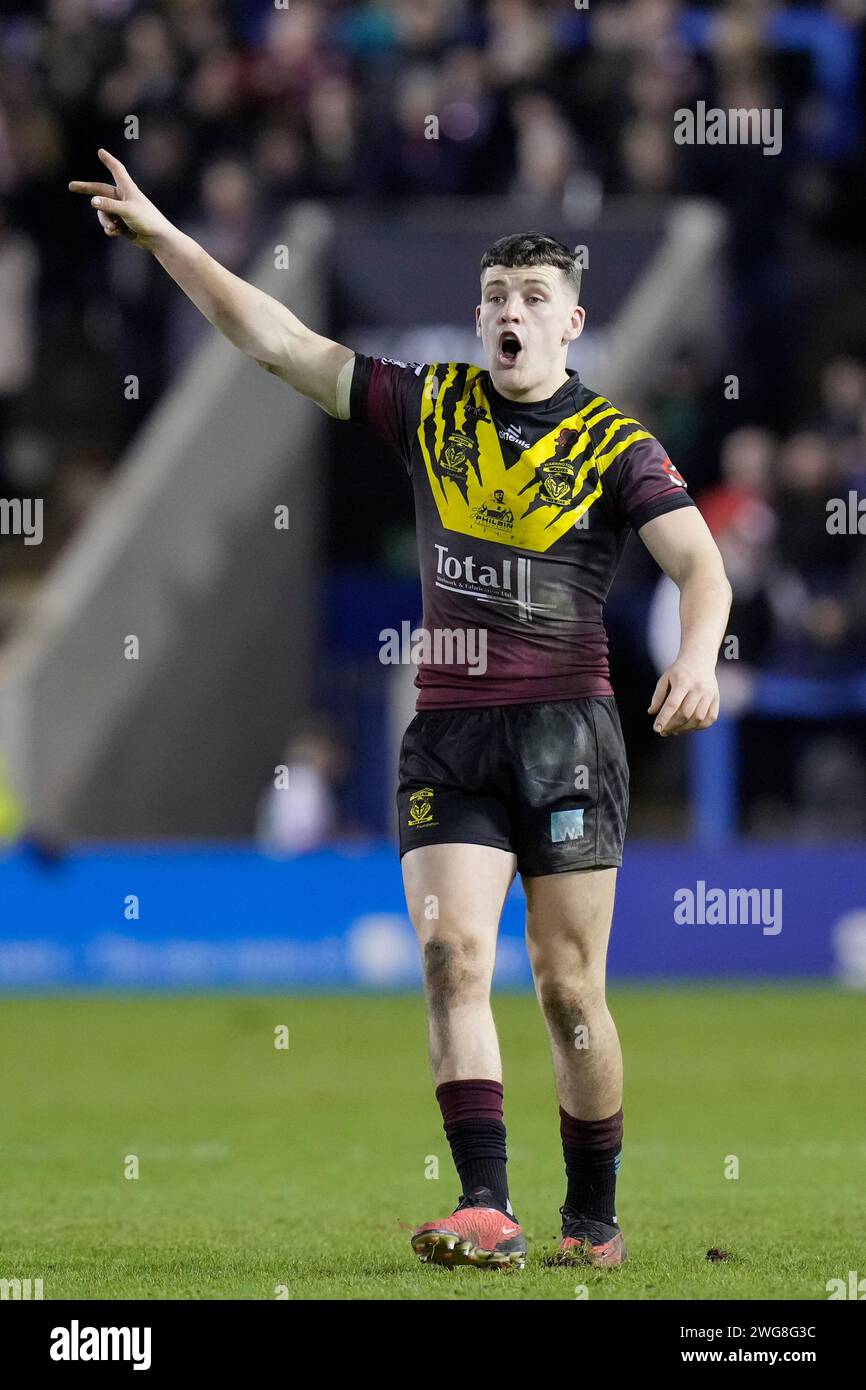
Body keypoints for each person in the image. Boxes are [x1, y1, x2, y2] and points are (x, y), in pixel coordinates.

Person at [69, 152, 732, 1270]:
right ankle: (486, 1203)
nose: (508, 315)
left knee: (569, 989)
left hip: (569, 731)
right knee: (452, 960)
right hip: (450, 732)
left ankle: (593, 1215)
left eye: (531, 300)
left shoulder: (616, 443)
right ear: (476, 320)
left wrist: (701, 657)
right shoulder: (427, 408)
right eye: (494, 301)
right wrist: (170, 238)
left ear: (570, 323)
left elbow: (699, 566)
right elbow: (276, 340)